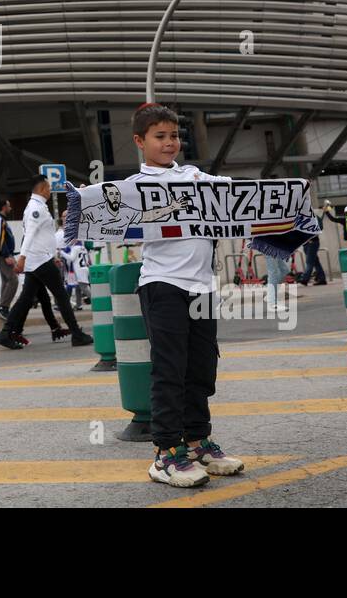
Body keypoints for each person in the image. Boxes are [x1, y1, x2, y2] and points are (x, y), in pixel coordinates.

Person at [123, 103, 245, 488]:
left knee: (201, 367)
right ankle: (164, 453)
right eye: (160, 137)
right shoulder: (135, 188)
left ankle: (196, 441)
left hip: (202, 287)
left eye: (174, 135)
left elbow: (237, 197)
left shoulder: (194, 175)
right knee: (169, 369)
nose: (170, 143)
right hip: (162, 285)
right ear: (140, 141)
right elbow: (118, 224)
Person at [0, 177, 93, 350]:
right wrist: (22, 258)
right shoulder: (36, 208)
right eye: (48, 187)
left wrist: (50, 254)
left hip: (39, 259)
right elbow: (30, 234)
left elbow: (42, 236)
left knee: (25, 299)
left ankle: (6, 333)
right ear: (41, 189)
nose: (50, 190)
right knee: (61, 295)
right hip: (39, 260)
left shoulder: (38, 206)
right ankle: (76, 334)